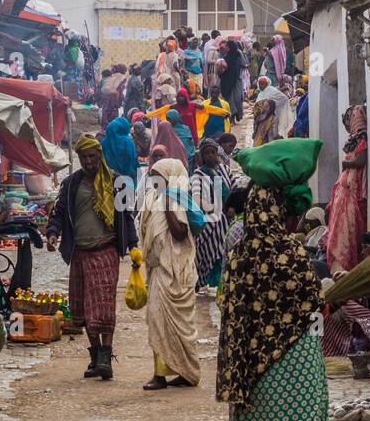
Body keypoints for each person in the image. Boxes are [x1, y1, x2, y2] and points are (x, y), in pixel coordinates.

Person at [218, 139, 332, 421]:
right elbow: (310, 303)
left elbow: (230, 313)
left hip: (251, 372)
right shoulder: (288, 253)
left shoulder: (239, 256)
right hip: (293, 368)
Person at [46, 134, 136, 380]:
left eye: (92, 157)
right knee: (84, 307)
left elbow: (126, 216)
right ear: (79, 158)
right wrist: (53, 232)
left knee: (104, 306)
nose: (89, 162)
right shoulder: (71, 184)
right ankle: (95, 355)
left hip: (105, 250)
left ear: (100, 156)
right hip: (80, 253)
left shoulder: (116, 182)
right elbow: (60, 211)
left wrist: (133, 244)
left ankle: (106, 356)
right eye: (84, 158)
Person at [140, 158, 201, 390]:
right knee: (157, 321)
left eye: (159, 178)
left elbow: (179, 232)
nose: (155, 182)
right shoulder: (153, 198)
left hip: (176, 271)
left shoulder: (175, 198)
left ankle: (187, 372)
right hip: (159, 271)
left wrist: (167, 206)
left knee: (177, 325)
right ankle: (160, 373)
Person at [324, 104, 368, 273]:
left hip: (351, 191)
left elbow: (360, 160)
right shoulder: (355, 139)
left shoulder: (361, 138)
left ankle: (345, 264)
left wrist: (346, 163)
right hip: (347, 188)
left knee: (347, 226)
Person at [191, 138, 232, 295]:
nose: (210, 156)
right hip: (207, 222)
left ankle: (218, 286)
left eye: (213, 152)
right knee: (204, 253)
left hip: (225, 222)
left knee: (221, 254)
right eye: (206, 153)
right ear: (201, 155)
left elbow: (233, 188)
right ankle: (202, 284)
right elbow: (196, 198)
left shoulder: (225, 171)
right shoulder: (198, 175)